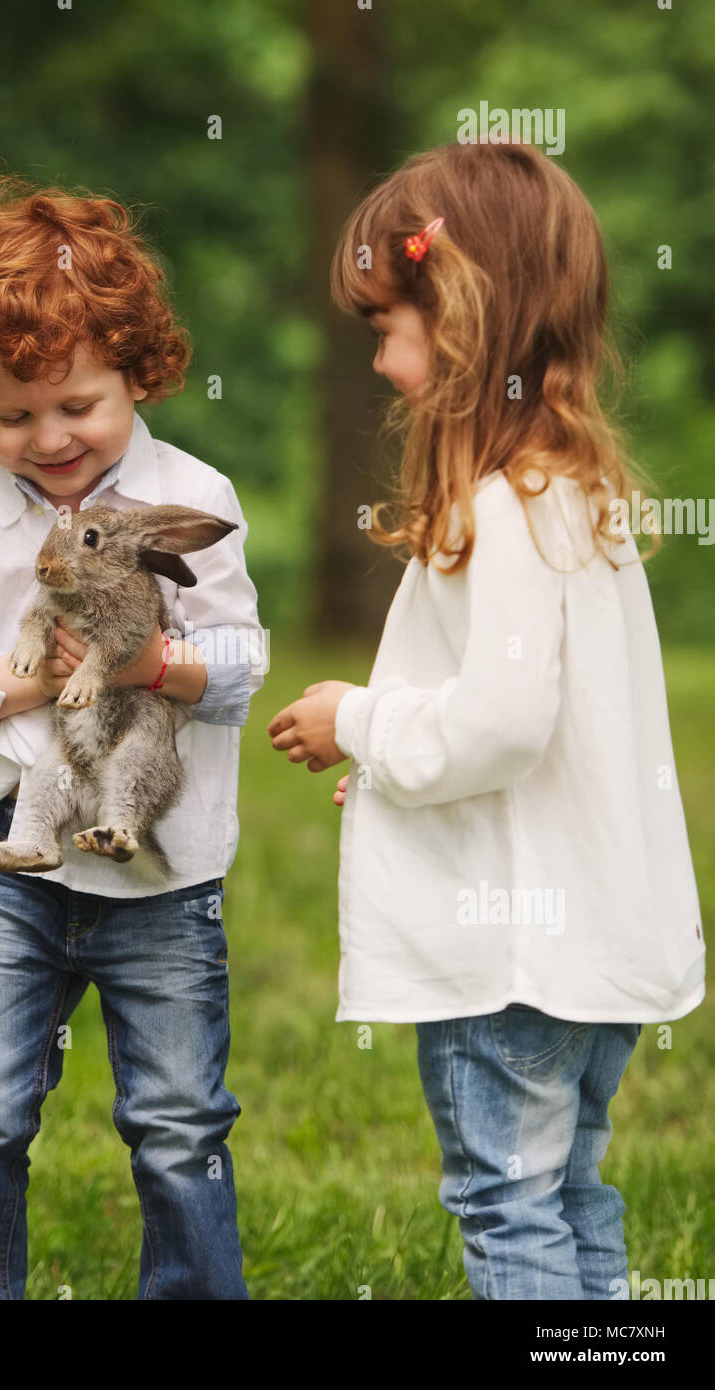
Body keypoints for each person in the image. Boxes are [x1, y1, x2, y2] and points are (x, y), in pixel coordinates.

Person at [267, 141, 704, 1300]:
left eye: (388, 325)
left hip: (511, 958)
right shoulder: (577, 495)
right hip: (593, 945)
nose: (379, 356)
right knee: (571, 1194)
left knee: (507, 1205)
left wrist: (356, 719)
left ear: (459, 320)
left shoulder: (502, 509)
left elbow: (504, 723)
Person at [0, 174, 264, 1300]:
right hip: (11, 852)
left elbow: (241, 666)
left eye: (78, 405)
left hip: (159, 868)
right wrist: (11, 679)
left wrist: (154, 665)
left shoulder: (191, 495)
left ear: (136, 374)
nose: (50, 438)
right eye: (15, 415)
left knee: (177, 1120)